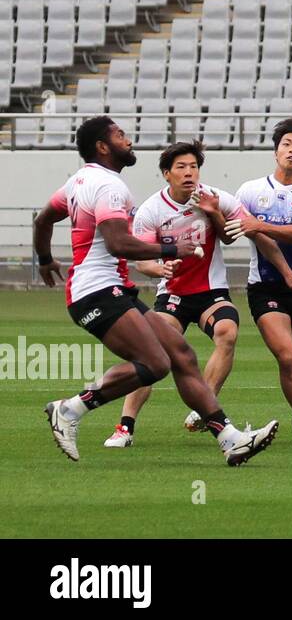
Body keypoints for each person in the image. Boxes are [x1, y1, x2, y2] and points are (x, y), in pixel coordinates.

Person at [35, 116, 277, 465]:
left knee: (181, 355)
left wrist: (45, 258)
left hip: (112, 289)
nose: (128, 139)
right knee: (154, 363)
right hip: (96, 292)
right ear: (103, 147)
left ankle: (230, 439)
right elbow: (119, 244)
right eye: (120, 135)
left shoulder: (78, 180)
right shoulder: (109, 187)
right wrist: (171, 249)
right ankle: (70, 409)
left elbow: (43, 220)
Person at [104, 140, 292, 448]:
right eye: (181, 167)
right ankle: (125, 427)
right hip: (173, 296)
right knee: (151, 352)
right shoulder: (152, 209)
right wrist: (159, 270)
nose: (189, 173)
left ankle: (202, 404)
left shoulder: (216, 198)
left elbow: (250, 232)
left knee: (227, 331)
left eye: (194, 166)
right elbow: (142, 259)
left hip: (211, 293)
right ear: (166, 174)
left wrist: (285, 271)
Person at [225, 119, 292, 445]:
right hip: (264, 287)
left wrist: (259, 225)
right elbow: (239, 229)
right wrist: (253, 226)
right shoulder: (250, 190)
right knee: (287, 356)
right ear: (276, 151)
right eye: (287, 144)